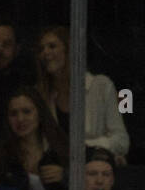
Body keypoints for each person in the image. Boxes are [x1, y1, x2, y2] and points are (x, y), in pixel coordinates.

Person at [34, 25, 129, 164]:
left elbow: (121, 140)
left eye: (52, 46)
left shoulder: (101, 86)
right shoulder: (40, 94)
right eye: (41, 49)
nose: (45, 52)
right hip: (55, 171)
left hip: (92, 169)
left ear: (69, 50)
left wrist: (85, 148)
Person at [0, 86, 67, 190]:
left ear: (39, 112)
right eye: (13, 114)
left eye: (26, 112)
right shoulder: (1, 156)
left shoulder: (61, 147)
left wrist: (66, 177)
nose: (20, 119)